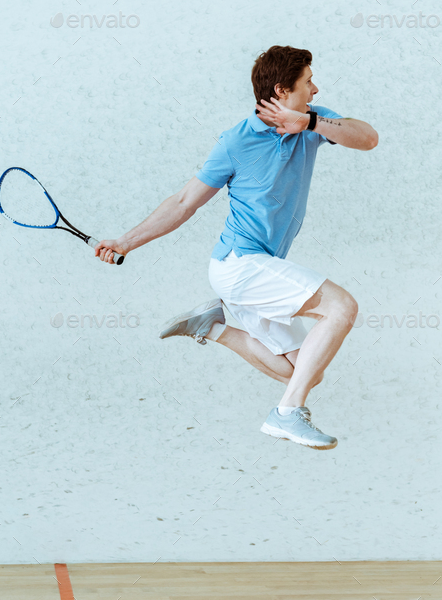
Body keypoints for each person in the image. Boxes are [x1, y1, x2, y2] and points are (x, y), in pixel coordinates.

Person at [95, 45, 378, 449]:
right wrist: (124, 241)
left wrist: (311, 122)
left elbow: (368, 138)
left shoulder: (314, 122)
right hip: (240, 265)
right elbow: (183, 203)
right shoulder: (235, 143)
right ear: (282, 90)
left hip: (257, 270)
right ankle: (286, 414)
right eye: (307, 83)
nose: (314, 89)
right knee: (341, 307)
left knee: (304, 370)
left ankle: (212, 327)